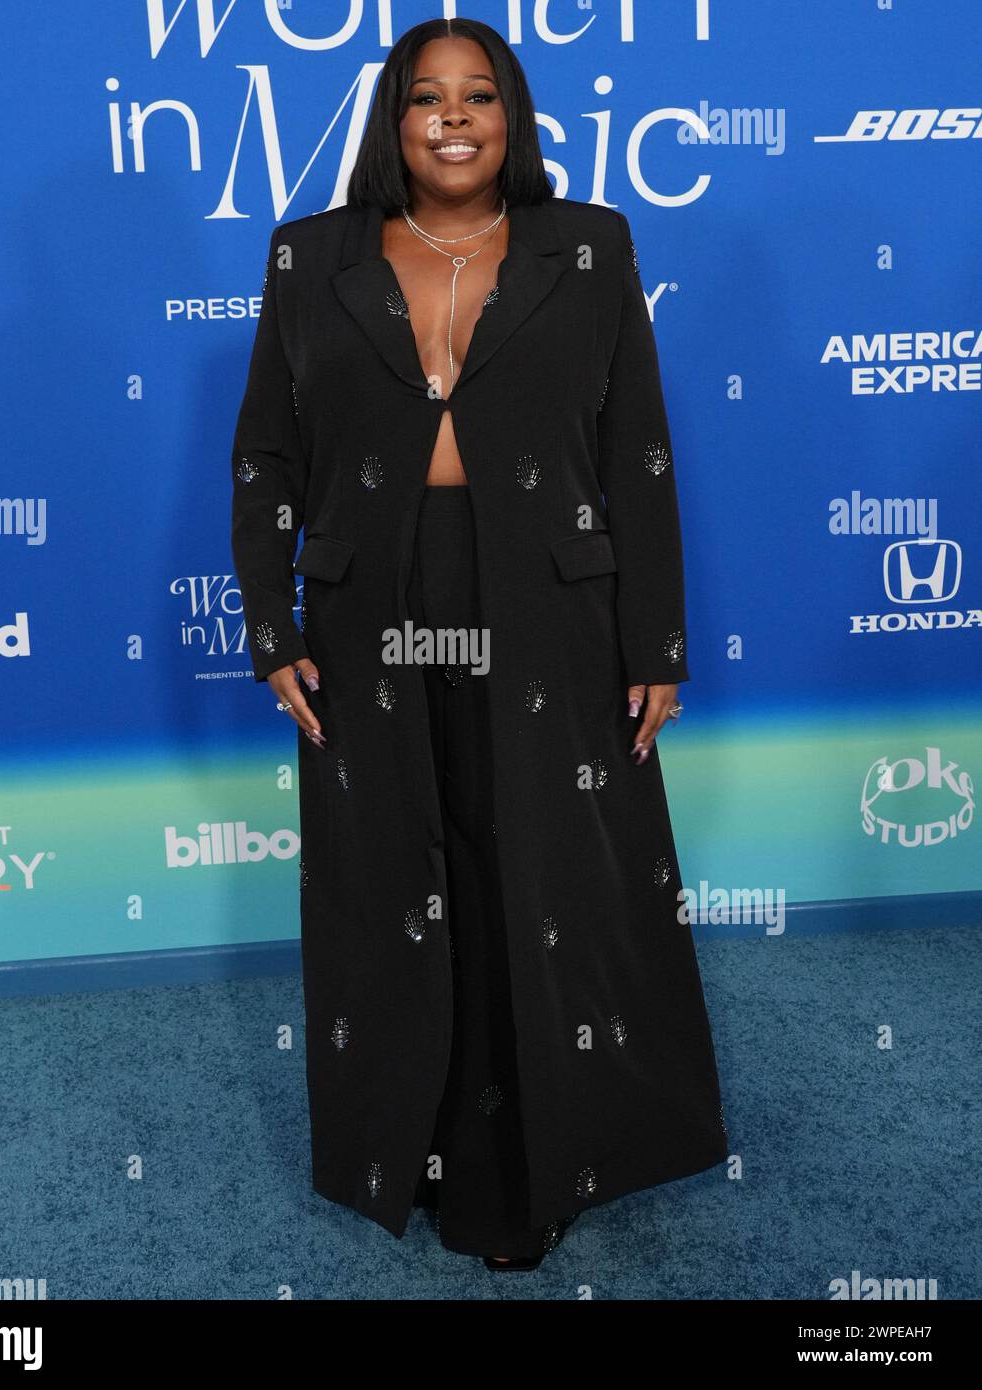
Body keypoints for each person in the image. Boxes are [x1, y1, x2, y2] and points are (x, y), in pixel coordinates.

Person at [230, 16, 728, 1271]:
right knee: (399, 879)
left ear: (512, 116)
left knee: (542, 881)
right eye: (423, 98)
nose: (452, 117)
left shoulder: (588, 246)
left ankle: (538, 1170)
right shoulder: (310, 257)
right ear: (392, 122)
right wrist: (272, 621)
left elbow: (638, 458)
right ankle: (415, 1150)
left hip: (549, 605)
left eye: (478, 96)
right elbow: (265, 457)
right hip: (369, 609)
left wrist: (653, 639)